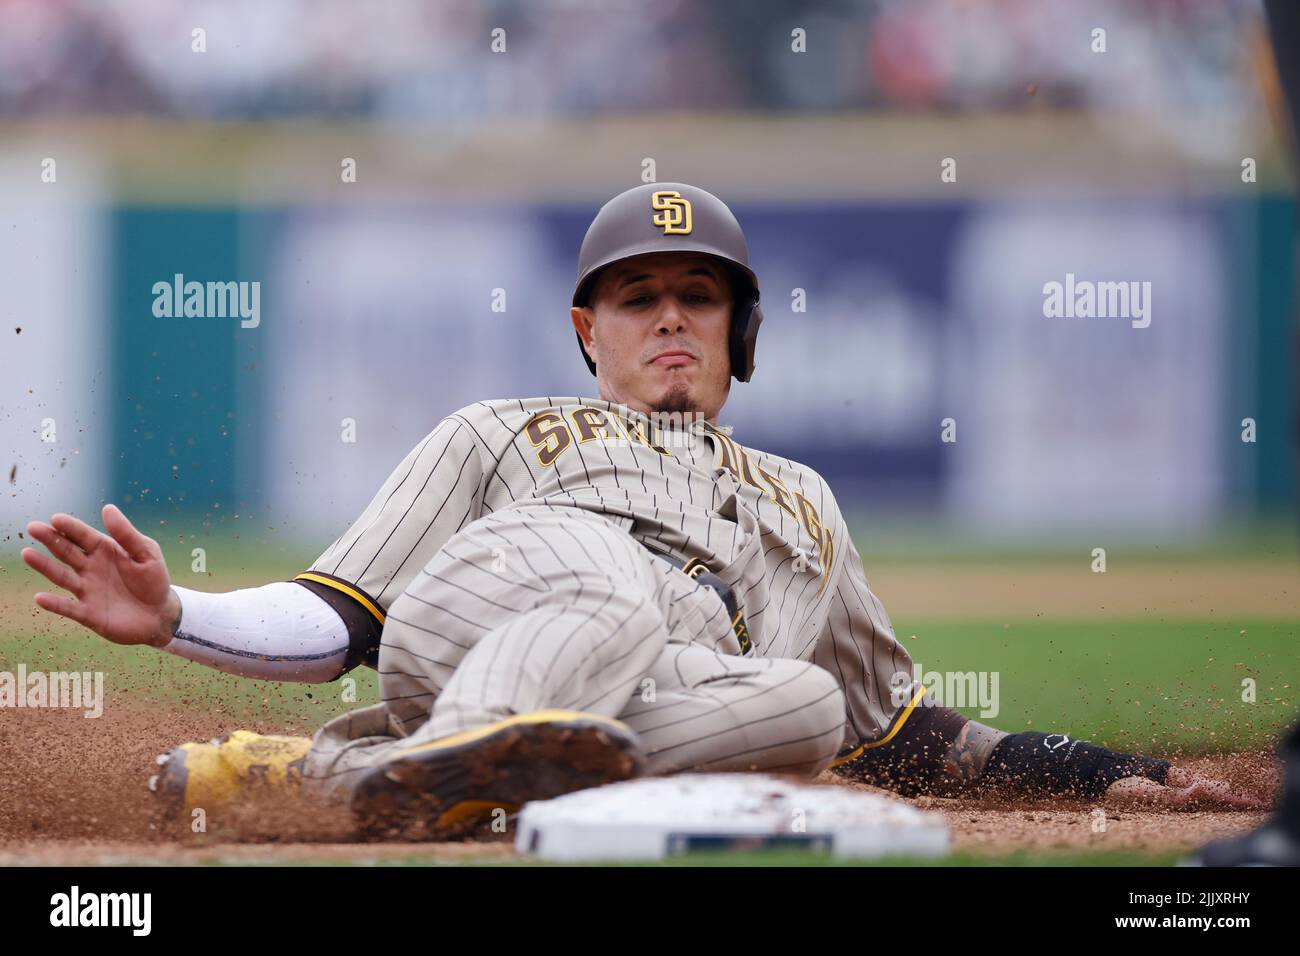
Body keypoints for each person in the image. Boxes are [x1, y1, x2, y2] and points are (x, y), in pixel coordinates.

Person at [21, 183, 1260, 838]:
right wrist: (181, 611)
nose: (670, 314)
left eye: (698, 297)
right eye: (636, 297)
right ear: (586, 330)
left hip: (650, 682)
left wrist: (1123, 774)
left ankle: (360, 783)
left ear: (740, 331)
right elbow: (345, 615)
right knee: (613, 576)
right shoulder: (503, 428)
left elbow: (905, 741)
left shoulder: (805, 499)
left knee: (810, 707)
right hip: (508, 603)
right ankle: (441, 749)